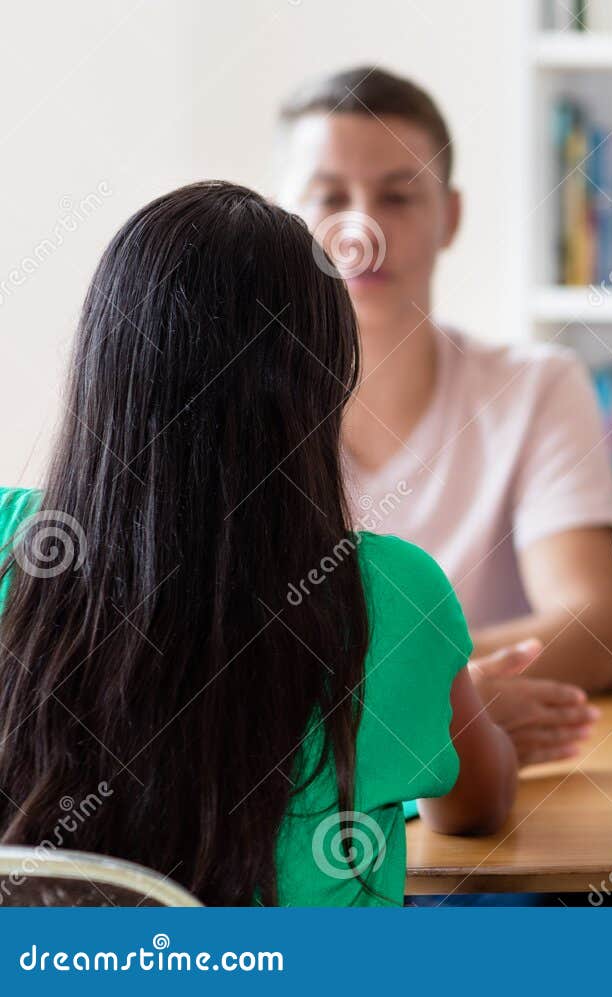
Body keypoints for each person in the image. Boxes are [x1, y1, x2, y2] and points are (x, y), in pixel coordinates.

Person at [0, 182, 521, 906]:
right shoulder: (392, 593)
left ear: (99, 362)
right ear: (323, 385)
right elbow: (475, 806)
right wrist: (465, 703)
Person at [277, 66, 612, 771]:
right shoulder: (240, 406)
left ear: (453, 215)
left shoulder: (536, 387)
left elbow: (597, 630)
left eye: (398, 196)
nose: (362, 229)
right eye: (329, 198)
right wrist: (450, 704)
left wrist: (394, 707)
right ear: (283, 219)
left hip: (499, 810)